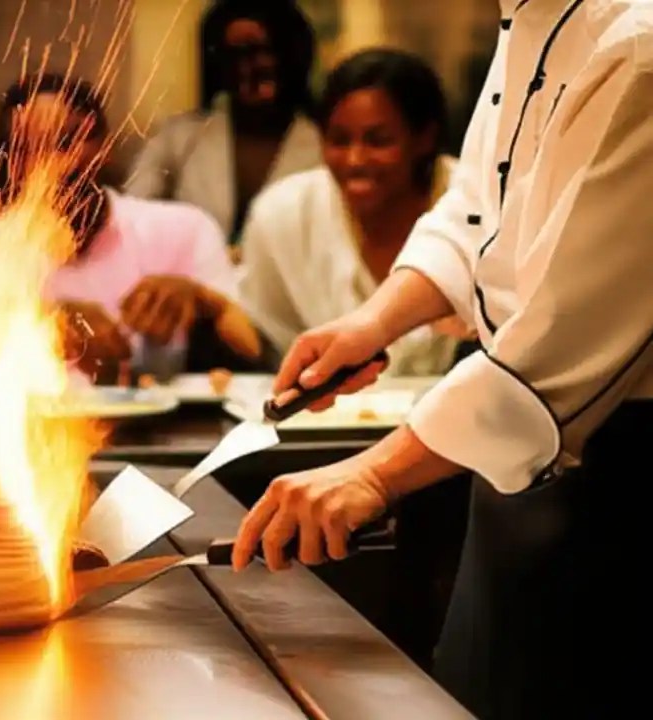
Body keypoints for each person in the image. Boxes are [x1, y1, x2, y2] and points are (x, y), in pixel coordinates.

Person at [229, 2, 653, 718]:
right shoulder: (528, 18)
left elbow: (568, 336)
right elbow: (477, 214)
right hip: (511, 476)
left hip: (621, 484)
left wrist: (374, 471)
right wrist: (373, 322)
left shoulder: (638, 45)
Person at [0, 73, 262, 383]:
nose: (55, 164)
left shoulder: (182, 229)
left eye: (67, 142)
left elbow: (253, 350)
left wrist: (202, 300)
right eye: (29, 148)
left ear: (104, 146)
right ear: (7, 163)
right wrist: (47, 323)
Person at [237, 48, 466, 376]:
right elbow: (265, 339)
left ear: (424, 138)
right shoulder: (282, 214)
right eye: (339, 141)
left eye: (378, 141)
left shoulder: (474, 202)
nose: (355, 160)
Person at [124, 0, 322, 253]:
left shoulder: (326, 142)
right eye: (232, 55)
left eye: (260, 51)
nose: (247, 68)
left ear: (291, 55)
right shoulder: (179, 137)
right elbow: (133, 213)